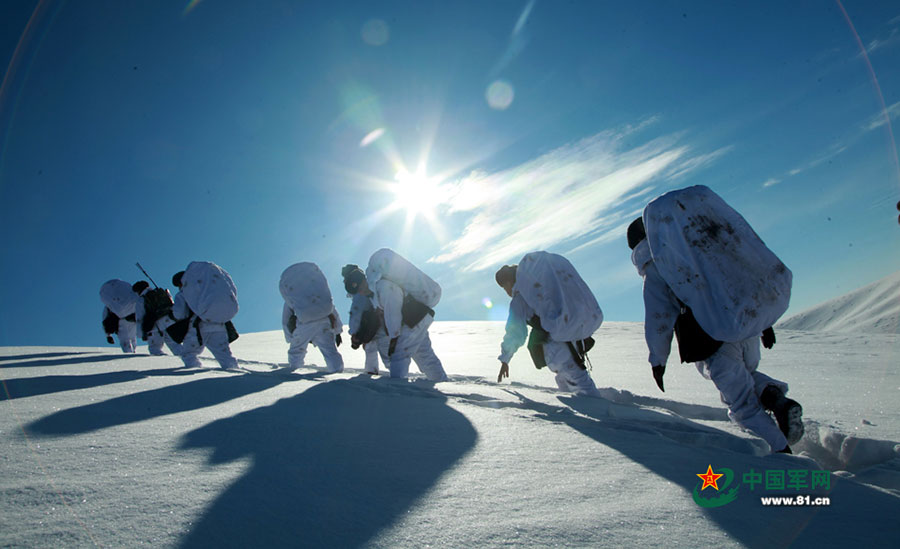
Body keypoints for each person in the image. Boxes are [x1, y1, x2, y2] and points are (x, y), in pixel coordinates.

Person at [628, 185, 803, 453]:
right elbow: (742, 279)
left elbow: (659, 319)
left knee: (742, 406)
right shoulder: (700, 248)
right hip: (746, 329)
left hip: (713, 340)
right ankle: (774, 397)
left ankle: (784, 457)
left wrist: (657, 361)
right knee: (746, 375)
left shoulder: (656, 268)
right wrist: (764, 323)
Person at [494, 252, 603, 397]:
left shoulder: (520, 298)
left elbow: (515, 331)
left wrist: (505, 359)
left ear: (509, 282)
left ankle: (599, 409)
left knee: (582, 386)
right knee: (568, 384)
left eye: (504, 287)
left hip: (556, 348)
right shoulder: (538, 289)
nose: (506, 292)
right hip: (573, 339)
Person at [350, 249, 447, 381]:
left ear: (364, 281)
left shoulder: (383, 286)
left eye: (360, 287)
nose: (361, 292)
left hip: (414, 319)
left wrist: (394, 337)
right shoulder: (375, 292)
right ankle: (441, 382)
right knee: (424, 355)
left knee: (398, 355)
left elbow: (393, 311)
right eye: (357, 291)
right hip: (416, 319)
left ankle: (397, 389)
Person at [170, 264, 240, 370]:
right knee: (225, 355)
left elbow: (179, 314)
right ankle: (234, 370)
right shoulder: (206, 289)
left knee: (189, 353)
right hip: (219, 325)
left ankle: (194, 372)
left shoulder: (183, 293)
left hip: (197, 328)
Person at [279, 262, 344, 373]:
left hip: (305, 324)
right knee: (330, 351)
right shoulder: (320, 296)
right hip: (324, 321)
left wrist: (290, 337)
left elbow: (286, 318)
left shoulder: (296, 297)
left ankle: (293, 370)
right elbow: (332, 309)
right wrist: (338, 331)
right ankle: (337, 372)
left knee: (297, 350)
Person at [342, 264, 384, 375]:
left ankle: (374, 372)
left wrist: (354, 333)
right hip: (376, 323)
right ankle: (372, 371)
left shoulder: (359, 294)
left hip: (372, 325)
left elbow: (357, 313)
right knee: (372, 348)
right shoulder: (366, 287)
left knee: (380, 351)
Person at [132, 280, 180, 356]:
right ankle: (188, 359)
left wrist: (141, 334)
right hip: (170, 322)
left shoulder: (142, 299)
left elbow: (140, 318)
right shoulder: (160, 292)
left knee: (155, 349)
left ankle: (164, 362)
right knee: (175, 346)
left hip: (155, 327)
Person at [99, 278, 138, 353]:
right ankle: (133, 353)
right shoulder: (128, 298)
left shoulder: (110, 306)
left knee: (125, 341)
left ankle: (129, 354)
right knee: (133, 338)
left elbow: (105, 318)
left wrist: (108, 335)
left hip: (121, 322)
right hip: (132, 319)